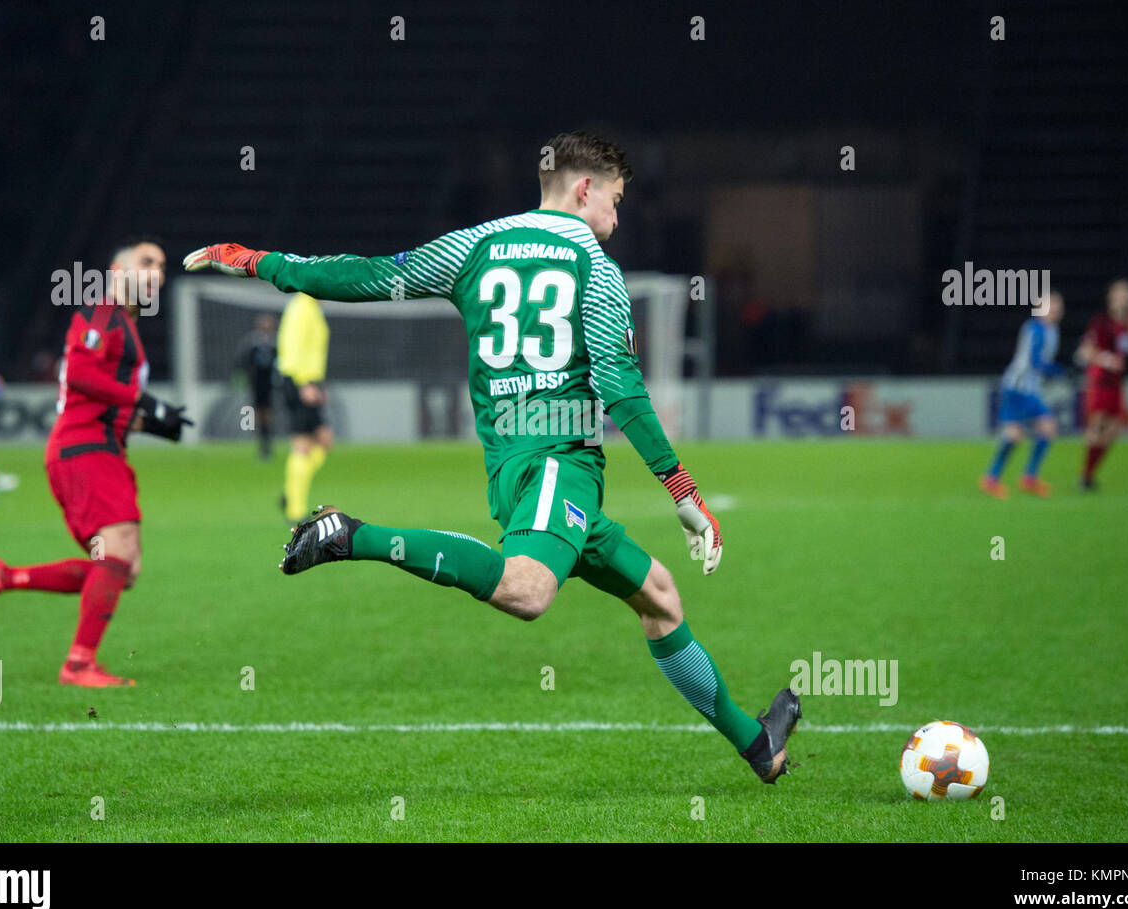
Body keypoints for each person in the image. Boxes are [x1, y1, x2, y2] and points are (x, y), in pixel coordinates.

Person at [185, 131, 800, 783]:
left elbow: (369, 276)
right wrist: (683, 491)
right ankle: (352, 536)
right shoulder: (593, 267)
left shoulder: (472, 244)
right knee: (529, 590)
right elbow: (619, 387)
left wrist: (258, 262)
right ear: (584, 188)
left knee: (659, 597)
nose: (616, 221)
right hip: (559, 461)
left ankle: (757, 744)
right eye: (615, 202)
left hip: (511, 462)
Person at [0, 238, 193, 687]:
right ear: (119, 271)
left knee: (122, 568)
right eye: (147, 262)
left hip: (99, 446)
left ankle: (5, 575)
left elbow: (106, 399)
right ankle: (79, 663)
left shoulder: (124, 324)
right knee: (120, 552)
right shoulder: (101, 312)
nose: (157, 271)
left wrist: (150, 423)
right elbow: (84, 376)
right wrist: (144, 400)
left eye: (162, 266)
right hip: (83, 448)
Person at [979, 292, 1065, 498]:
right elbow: (1034, 361)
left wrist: (1053, 371)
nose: (1055, 309)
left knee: (1048, 428)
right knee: (1015, 434)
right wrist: (1057, 370)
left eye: (1057, 306)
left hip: (1030, 389)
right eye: (1050, 305)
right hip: (1017, 387)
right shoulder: (1034, 329)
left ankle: (1028, 478)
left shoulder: (1052, 330)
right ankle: (991, 478)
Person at [1075, 278, 1128, 490]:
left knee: (1112, 431)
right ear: (1111, 297)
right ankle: (1085, 475)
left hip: (1118, 382)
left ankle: (1088, 475)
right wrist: (1107, 360)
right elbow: (1085, 351)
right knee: (1098, 424)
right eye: (1120, 294)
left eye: (1127, 294)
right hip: (1099, 380)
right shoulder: (1101, 322)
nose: (1124, 298)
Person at [276, 293, 333, 522]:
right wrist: (305, 384)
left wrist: (317, 384)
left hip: (307, 381)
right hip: (298, 381)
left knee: (323, 441)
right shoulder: (302, 307)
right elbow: (294, 347)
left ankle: (291, 494)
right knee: (304, 443)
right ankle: (294, 509)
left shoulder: (310, 307)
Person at [235, 312, 278, 460]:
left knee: (269, 413)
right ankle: (262, 444)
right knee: (258, 413)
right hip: (256, 383)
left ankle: (268, 443)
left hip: (272, 384)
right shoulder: (252, 342)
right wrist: (242, 377)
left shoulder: (277, 342)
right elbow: (242, 361)